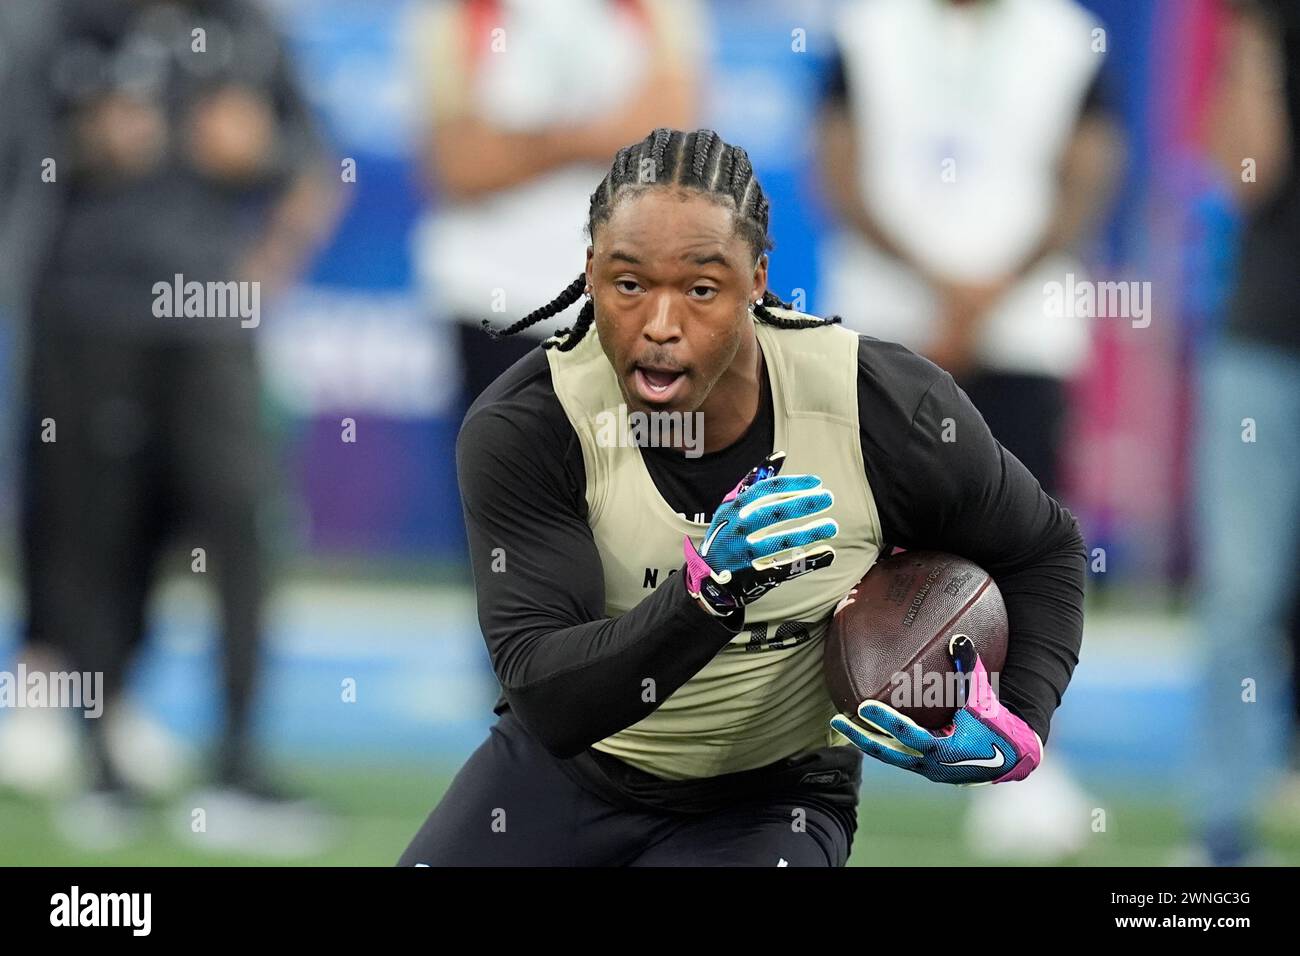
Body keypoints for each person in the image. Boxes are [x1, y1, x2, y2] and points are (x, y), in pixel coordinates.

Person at [398, 128, 1086, 867]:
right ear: (591, 274)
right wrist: (705, 599)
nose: (661, 326)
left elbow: (1041, 548)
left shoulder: (878, 409)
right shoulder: (535, 423)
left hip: (771, 800)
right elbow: (549, 698)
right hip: (568, 774)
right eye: (629, 285)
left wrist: (1020, 718)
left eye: (700, 287)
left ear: (757, 279)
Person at [13, 0, 338, 847]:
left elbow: (313, 163)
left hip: (207, 317)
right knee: (94, 535)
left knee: (241, 520)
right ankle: (99, 757)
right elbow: (18, 151)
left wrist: (260, 200)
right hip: (85, 310)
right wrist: (82, 148)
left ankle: (238, 759)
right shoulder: (66, 26)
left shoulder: (246, 26)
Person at [406, 0, 701, 410]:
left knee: (627, 472)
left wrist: (528, 144)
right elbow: (460, 164)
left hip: (627, 307)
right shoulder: (460, 12)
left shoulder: (651, 9)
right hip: (493, 303)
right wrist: (600, 137)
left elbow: (674, 138)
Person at [1194, 0, 1300, 866]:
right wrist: (1254, 43)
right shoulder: (1262, 22)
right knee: (1241, 593)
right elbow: (1244, 169)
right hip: (1270, 341)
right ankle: (1225, 835)